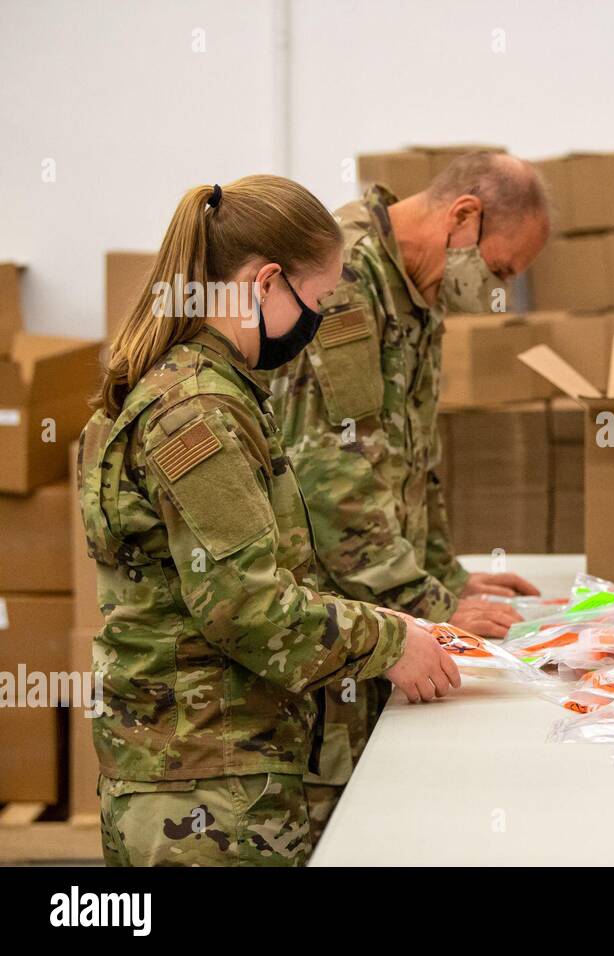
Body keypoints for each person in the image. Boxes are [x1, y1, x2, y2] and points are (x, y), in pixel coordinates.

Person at [78, 176, 460, 866]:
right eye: (318, 301)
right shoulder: (198, 414)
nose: (318, 322)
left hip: (200, 768)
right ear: (265, 283)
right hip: (206, 791)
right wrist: (390, 640)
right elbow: (246, 608)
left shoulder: (205, 387)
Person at [266, 151, 551, 840]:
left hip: (378, 609)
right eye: (501, 270)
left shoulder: (414, 289)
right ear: (464, 217)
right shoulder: (347, 281)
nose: (499, 291)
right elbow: (330, 478)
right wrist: (430, 605)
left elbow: (413, 458)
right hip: (328, 621)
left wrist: (446, 574)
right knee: (342, 827)